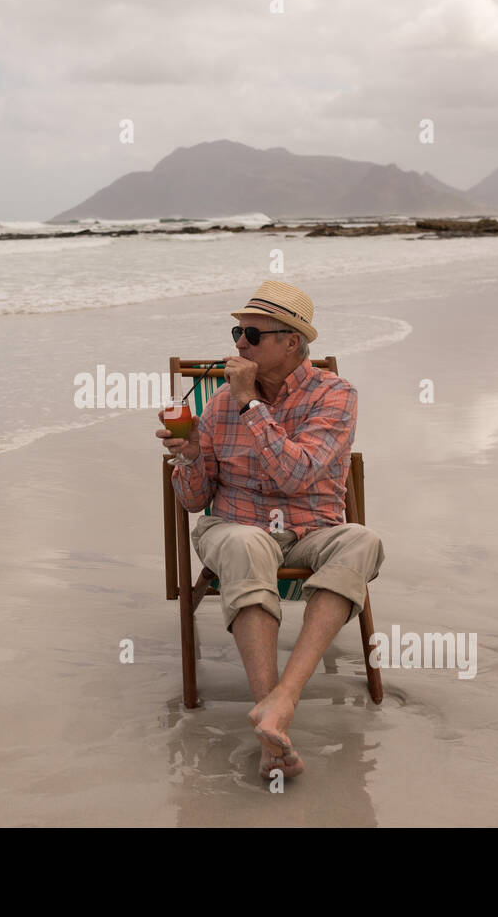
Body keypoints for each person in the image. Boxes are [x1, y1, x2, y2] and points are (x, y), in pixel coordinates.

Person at [155, 280, 385, 779]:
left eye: (253, 335)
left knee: (362, 540)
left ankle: (283, 699)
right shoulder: (216, 405)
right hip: (235, 526)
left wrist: (249, 407)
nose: (239, 343)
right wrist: (191, 457)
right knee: (244, 542)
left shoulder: (335, 396)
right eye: (237, 332)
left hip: (312, 529)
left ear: (292, 342)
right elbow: (195, 501)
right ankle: (271, 717)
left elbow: (297, 474)